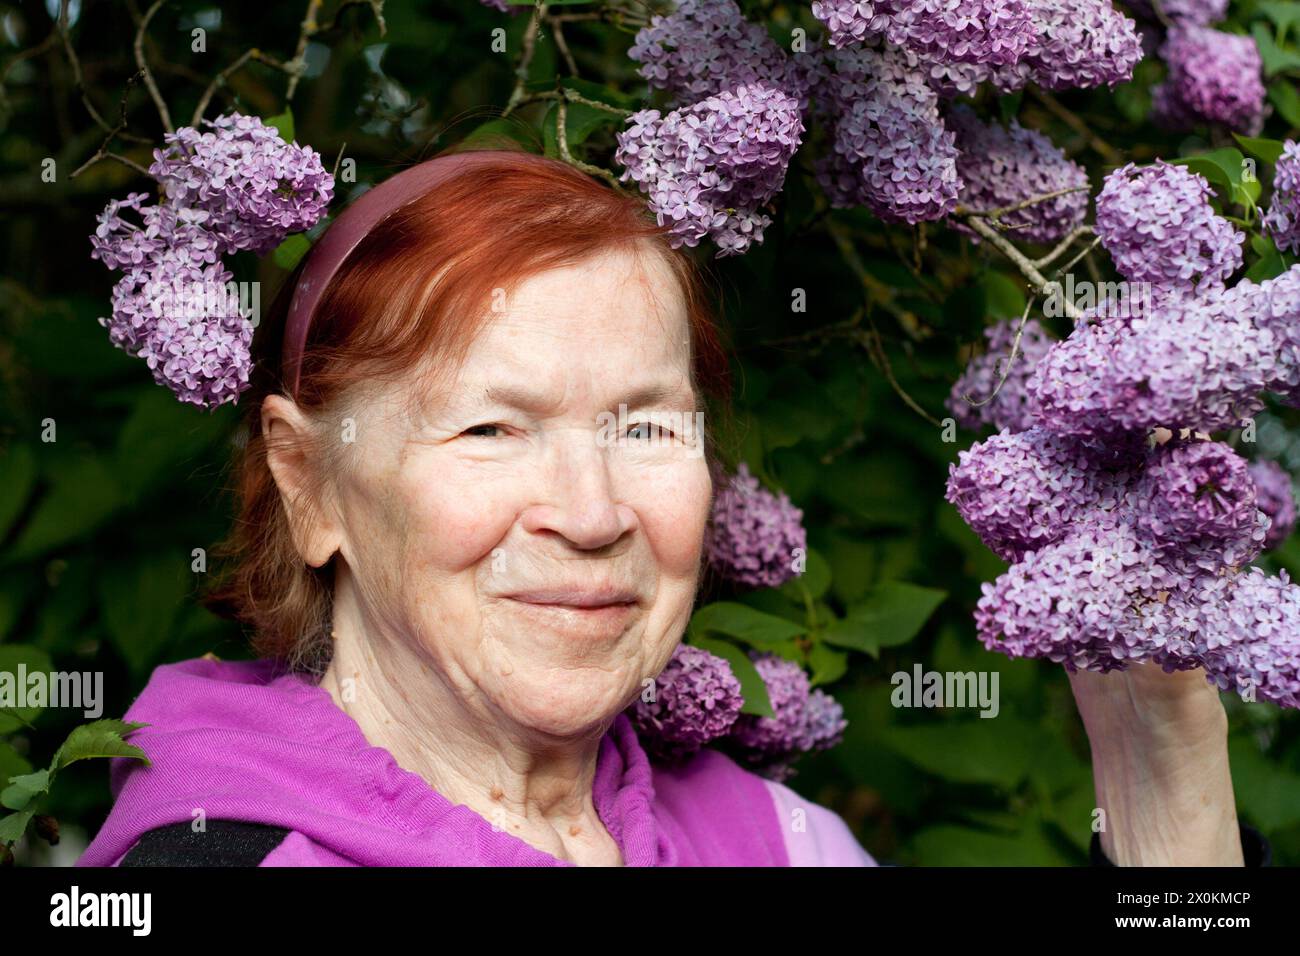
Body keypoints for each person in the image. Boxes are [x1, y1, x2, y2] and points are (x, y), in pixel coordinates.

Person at [77, 147, 1265, 867]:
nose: (592, 512)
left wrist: (1159, 773)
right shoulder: (215, 860)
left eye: (646, 425)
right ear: (310, 484)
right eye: (491, 428)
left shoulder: (781, 844)